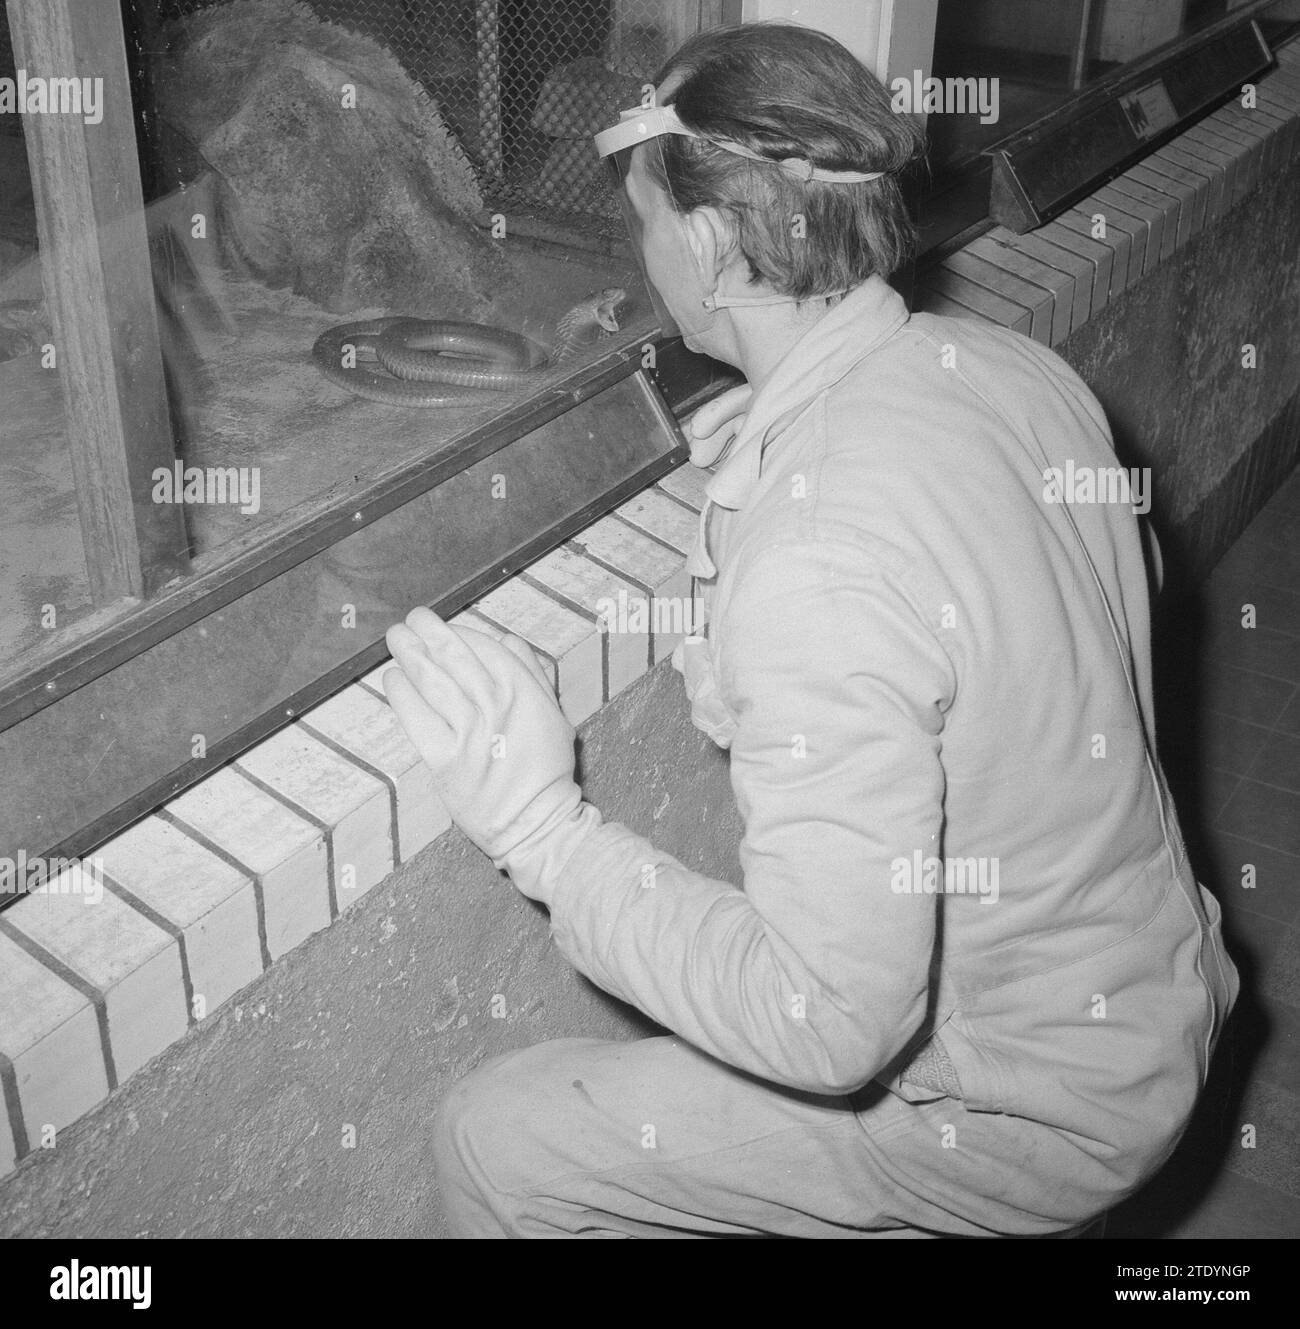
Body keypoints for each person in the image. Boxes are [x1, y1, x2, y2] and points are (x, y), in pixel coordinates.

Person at [381, 21, 1239, 1238]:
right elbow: (1105, 584)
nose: (637, 246)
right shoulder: (1005, 372)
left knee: (499, 1139)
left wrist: (541, 830)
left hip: (1020, 1117)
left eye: (641, 219)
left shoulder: (820, 553)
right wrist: (780, 467)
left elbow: (828, 1024)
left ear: (714, 241)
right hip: (1153, 993)